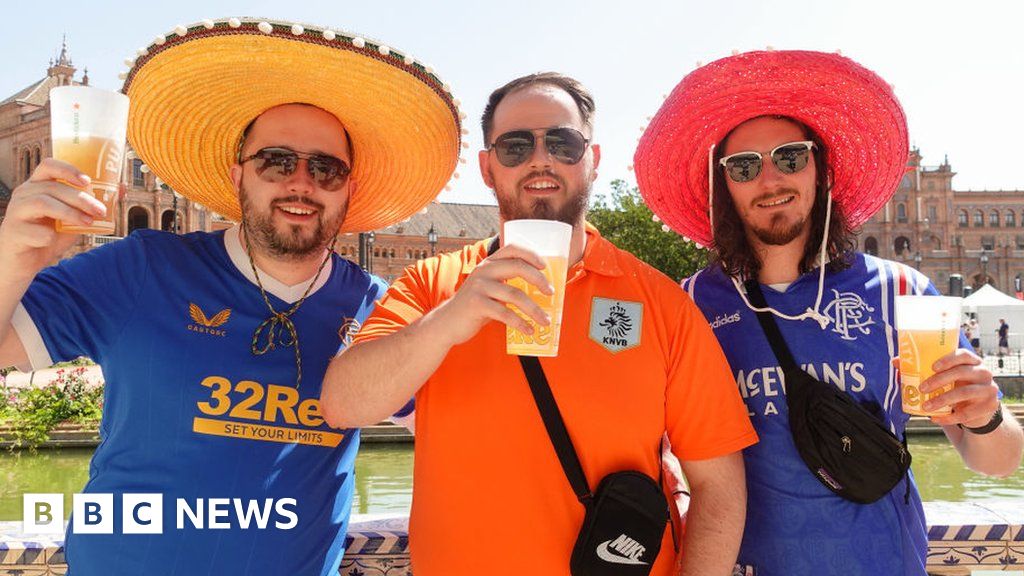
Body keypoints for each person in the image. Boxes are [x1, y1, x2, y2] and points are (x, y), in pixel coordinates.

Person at [0, 18, 460, 576]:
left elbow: (463, 438)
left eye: (326, 168)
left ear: (349, 188)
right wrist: (15, 256)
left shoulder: (380, 309)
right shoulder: (143, 267)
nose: (301, 182)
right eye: (276, 161)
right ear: (238, 174)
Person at [321, 72, 758, 576]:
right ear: (487, 169)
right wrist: (449, 319)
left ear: (592, 160)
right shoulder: (431, 283)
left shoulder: (661, 303)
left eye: (562, 142)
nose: (539, 159)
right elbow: (342, 404)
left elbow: (719, 482)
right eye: (514, 146)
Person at [634, 50, 1024, 575]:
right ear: (723, 186)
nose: (770, 180)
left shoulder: (902, 292)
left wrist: (986, 416)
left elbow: (997, 461)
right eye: (744, 166)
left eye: (791, 157)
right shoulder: (691, 304)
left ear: (821, 169)